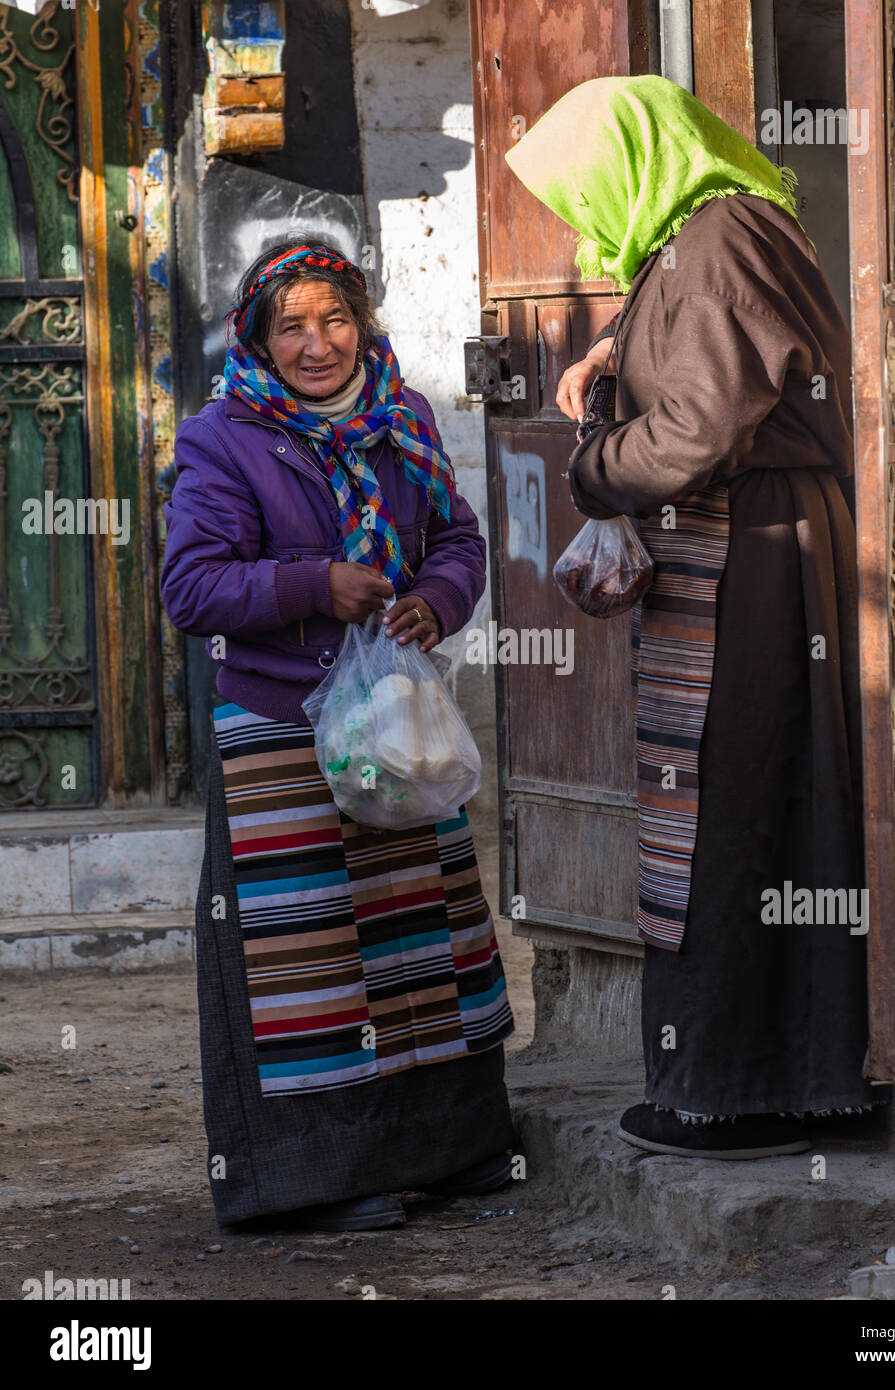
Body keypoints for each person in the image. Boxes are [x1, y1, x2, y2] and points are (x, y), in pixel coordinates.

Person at [505, 76, 884, 1158]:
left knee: (728, 803)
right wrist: (612, 353)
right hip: (746, 549)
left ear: (633, 160)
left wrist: (591, 470)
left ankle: (728, 1091)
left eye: (583, 194)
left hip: (753, 559)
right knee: (739, 799)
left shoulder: (720, 239)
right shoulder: (701, 232)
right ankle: (776, 1078)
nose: (582, 224)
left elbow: (701, 428)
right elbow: (698, 352)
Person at [160, 237, 515, 1230]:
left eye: (334, 319)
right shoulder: (223, 437)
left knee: (421, 940)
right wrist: (316, 583)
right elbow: (190, 585)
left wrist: (433, 604)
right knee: (310, 960)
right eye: (292, 326)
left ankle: (453, 1150)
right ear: (259, 338)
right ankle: (319, 1175)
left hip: (394, 723)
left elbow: (455, 538)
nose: (316, 344)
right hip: (279, 729)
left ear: (361, 321)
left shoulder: (401, 417)